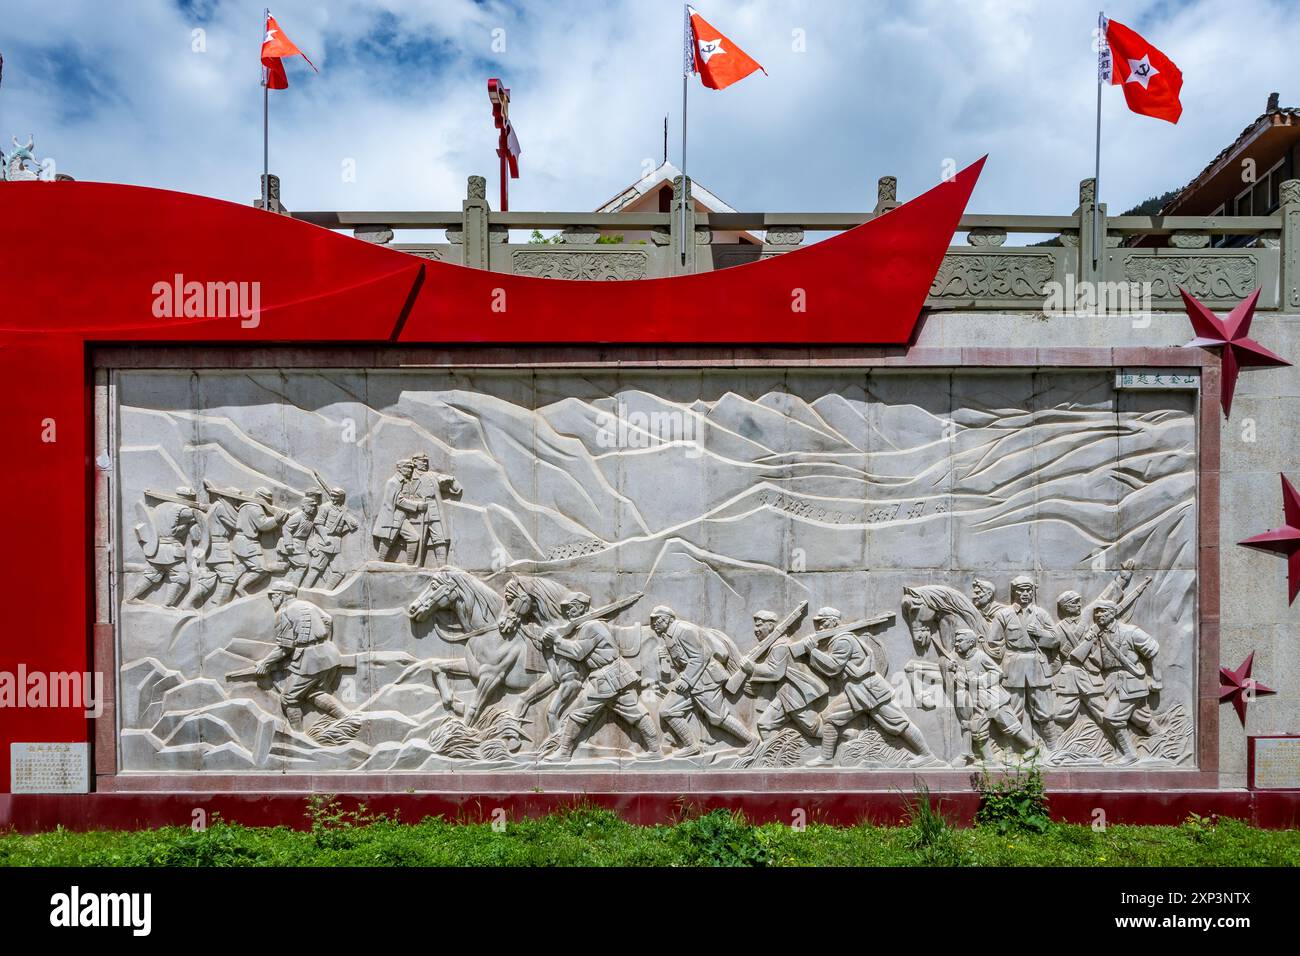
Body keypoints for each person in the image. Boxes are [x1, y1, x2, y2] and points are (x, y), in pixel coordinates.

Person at [797, 607, 935, 767]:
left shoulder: (843, 640)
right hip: (856, 689)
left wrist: (813, 651)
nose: (819, 627)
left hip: (868, 689)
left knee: (898, 722)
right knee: (830, 718)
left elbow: (834, 667)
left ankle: (927, 755)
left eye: (823, 622)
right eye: (817, 623)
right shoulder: (841, 639)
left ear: (834, 622)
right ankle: (826, 758)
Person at [543, 592, 660, 762]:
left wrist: (556, 640)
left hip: (606, 675)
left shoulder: (592, 626)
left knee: (578, 714)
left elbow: (578, 652)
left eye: (572, 607)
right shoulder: (585, 627)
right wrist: (554, 643)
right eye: (566, 608)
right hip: (613, 675)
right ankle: (655, 750)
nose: (568, 611)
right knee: (635, 712)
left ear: (582, 607)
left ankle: (564, 752)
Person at [651, 605, 755, 754]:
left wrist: (686, 680)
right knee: (667, 710)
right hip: (690, 683)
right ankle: (690, 746)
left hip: (706, 680)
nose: (653, 624)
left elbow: (701, 656)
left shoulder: (684, 630)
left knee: (717, 718)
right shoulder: (668, 636)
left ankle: (751, 741)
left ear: (666, 619)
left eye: (656, 620)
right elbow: (682, 662)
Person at [1070, 600, 1163, 764]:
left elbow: (1153, 650)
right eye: (1096, 613)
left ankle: (1130, 754)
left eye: (1103, 612)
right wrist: (1089, 641)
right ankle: (1162, 739)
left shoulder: (1130, 631)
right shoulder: (1099, 636)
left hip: (1130, 681)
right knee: (1140, 718)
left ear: (1113, 613)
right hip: (1112, 682)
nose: (1098, 615)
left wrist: (1156, 678)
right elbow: (1089, 661)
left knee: (1112, 718)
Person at [252, 582, 351, 731]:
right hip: (330, 653)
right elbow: (328, 620)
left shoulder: (283, 612)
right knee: (313, 692)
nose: (271, 600)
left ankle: (298, 737)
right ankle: (348, 719)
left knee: (289, 698)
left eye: (272, 596)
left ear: (281, 595)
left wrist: (265, 663)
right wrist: (320, 641)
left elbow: (285, 647)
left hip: (311, 660)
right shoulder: (308, 605)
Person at [985, 576, 1060, 748]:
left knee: (1044, 711)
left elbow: (1056, 639)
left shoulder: (1041, 614)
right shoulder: (1003, 615)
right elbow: (993, 642)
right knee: (1013, 711)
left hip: (1037, 664)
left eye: (1028, 590)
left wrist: (1040, 633)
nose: (1025, 594)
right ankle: (1012, 751)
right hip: (1013, 665)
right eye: (1021, 590)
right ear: (1014, 592)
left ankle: (1053, 749)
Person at [944, 628, 1038, 763]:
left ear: (971, 642)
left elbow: (997, 672)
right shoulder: (962, 659)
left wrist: (978, 681)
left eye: (960, 641)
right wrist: (955, 669)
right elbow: (964, 678)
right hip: (978, 702)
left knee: (1009, 725)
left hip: (994, 699)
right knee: (978, 729)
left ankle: (1032, 747)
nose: (956, 644)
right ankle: (989, 759)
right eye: (956, 641)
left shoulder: (980, 656)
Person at [739, 610, 828, 743]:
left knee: (813, 728)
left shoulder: (780, 646)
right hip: (786, 693)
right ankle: (777, 757)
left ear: (770, 626)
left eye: (759, 625)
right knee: (765, 725)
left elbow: (775, 672)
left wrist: (752, 669)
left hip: (794, 694)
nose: (755, 630)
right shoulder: (774, 645)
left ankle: (846, 736)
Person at [130, 487, 203, 606]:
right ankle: (168, 604)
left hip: (155, 548)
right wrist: (191, 521)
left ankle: (132, 597)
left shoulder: (159, 507)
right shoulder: (182, 509)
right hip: (170, 549)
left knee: (152, 574)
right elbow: (192, 517)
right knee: (182, 577)